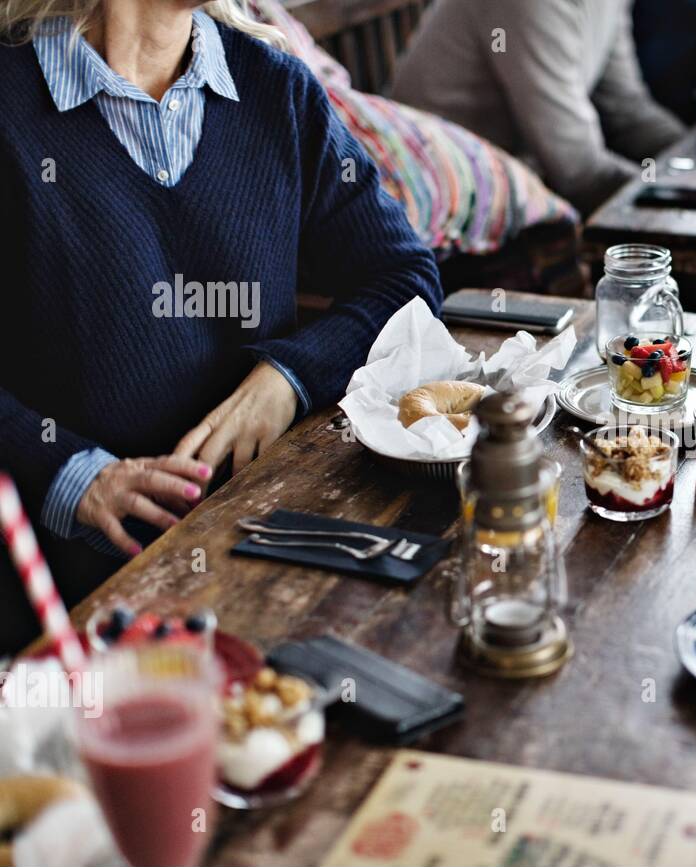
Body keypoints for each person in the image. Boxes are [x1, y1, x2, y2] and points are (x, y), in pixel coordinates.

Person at [0, 0, 442, 655]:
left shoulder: (277, 89)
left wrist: (288, 377)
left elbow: (403, 276)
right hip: (64, 586)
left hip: (261, 539)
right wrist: (69, 474)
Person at [390, 0, 686, 216]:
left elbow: (626, 108)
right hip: (438, 191)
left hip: (522, 175)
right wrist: (676, 196)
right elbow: (576, 170)